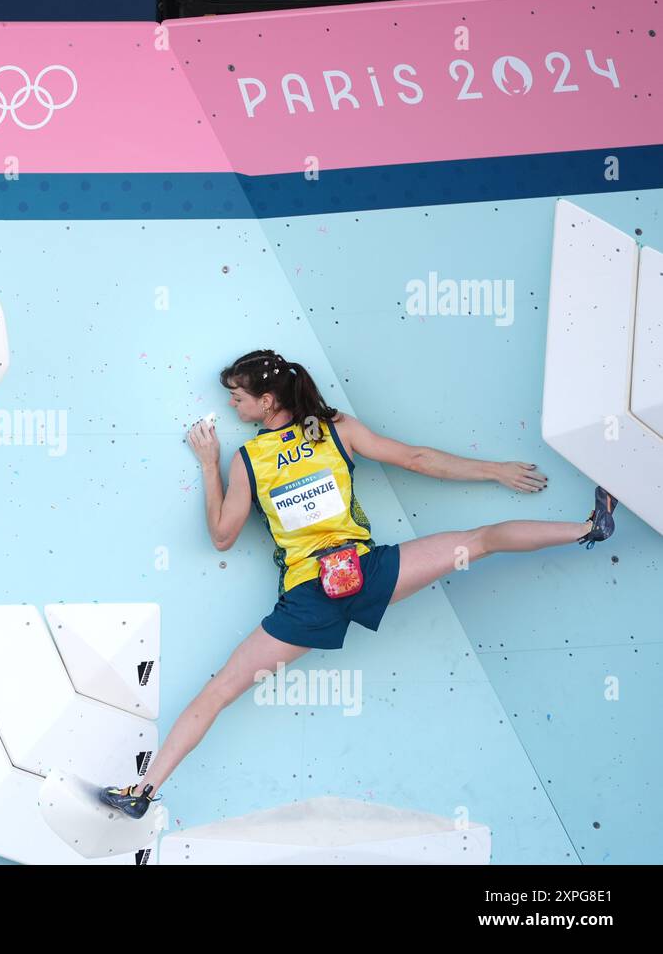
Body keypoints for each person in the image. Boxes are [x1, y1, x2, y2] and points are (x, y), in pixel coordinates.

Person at [99, 348, 617, 819]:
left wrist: (210, 466)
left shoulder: (249, 459)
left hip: (309, 599)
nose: (232, 407)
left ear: (266, 399)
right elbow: (416, 459)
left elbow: (221, 536)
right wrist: (494, 470)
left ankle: (142, 792)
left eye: (237, 397)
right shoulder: (334, 427)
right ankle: (589, 527)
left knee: (218, 693)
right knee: (479, 541)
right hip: (366, 575)